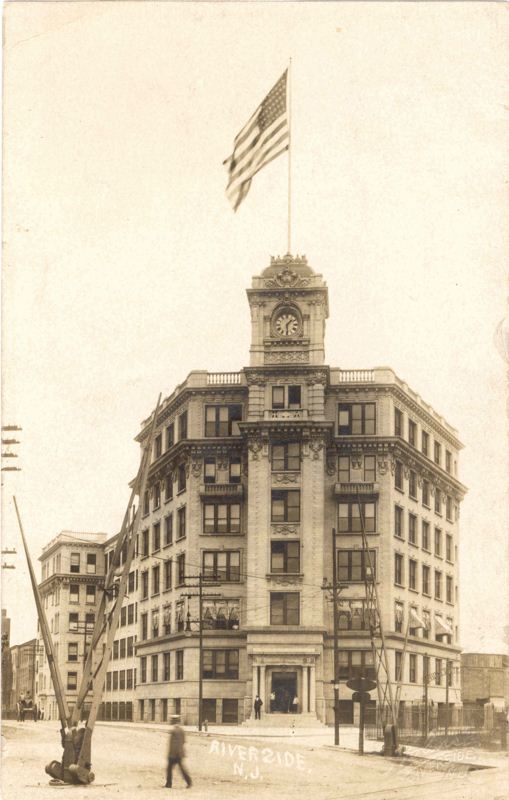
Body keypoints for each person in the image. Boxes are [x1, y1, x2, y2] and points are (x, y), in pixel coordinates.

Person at [165, 715, 192, 789]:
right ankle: (189, 781)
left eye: (172, 720)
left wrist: (171, 754)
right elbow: (183, 741)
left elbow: (173, 744)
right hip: (180, 753)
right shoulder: (181, 730)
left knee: (169, 769)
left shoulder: (174, 731)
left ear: (174, 721)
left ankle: (169, 784)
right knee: (181, 769)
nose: (171, 721)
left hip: (174, 754)